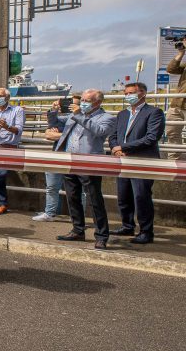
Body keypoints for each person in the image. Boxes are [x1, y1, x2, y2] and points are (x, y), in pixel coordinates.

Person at [53, 90, 116, 249]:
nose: (82, 102)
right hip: (70, 160)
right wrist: (53, 111)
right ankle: (77, 230)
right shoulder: (75, 114)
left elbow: (100, 132)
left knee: (94, 200)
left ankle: (101, 236)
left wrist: (80, 115)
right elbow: (56, 123)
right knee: (72, 197)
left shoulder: (107, 118)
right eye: (82, 99)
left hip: (90, 162)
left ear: (98, 102)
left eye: (87, 100)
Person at [109, 82, 165, 244]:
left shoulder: (154, 112)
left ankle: (146, 232)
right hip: (122, 159)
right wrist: (115, 148)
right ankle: (127, 225)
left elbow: (151, 137)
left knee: (141, 196)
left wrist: (124, 147)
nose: (128, 96)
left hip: (142, 161)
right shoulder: (122, 114)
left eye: (131, 93)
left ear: (143, 93)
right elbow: (114, 135)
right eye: (126, 93)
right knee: (123, 195)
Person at [35, 93, 84, 222]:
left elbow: (75, 135)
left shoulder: (83, 118)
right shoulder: (63, 118)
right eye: (68, 104)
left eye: (74, 104)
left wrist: (58, 134)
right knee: (51, 186)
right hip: (57, 155)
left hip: (76, 157)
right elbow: (49, 133)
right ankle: (49, 213)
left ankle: (78, 217)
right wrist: (54, 110)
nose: (70, 107)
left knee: (79, 190)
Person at [165, 41, 186, 157]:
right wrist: (181, 53)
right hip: (177, 105)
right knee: (172, 134)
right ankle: (174, 162)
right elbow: (171, 69)